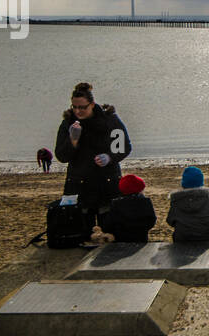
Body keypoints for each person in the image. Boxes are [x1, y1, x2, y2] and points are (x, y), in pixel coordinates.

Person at [53, 81, 132, 238]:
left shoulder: (110, 121)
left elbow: (124, 147)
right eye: (75, 107)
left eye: (83, 107)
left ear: (92, 104)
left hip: (107, 183)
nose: (78, 111)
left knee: (111, 231)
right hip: (79, 184)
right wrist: (73, 141)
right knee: (80, 233)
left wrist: (109, 157)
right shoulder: (68, 123)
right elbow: (61, 156)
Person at [166, 165, 209, 244]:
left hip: (181, 239)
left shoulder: (176, 201)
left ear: (184, 183)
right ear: (201, 182)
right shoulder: (208, 199)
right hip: (203, 237)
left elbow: (170, 220)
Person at [98, 174, 156, 243]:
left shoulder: (116, 204)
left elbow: (110, 222)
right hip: (141, 236)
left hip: (119, 237)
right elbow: (151, 219)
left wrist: (107, 230)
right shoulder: (145, 202)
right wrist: (144, 228)